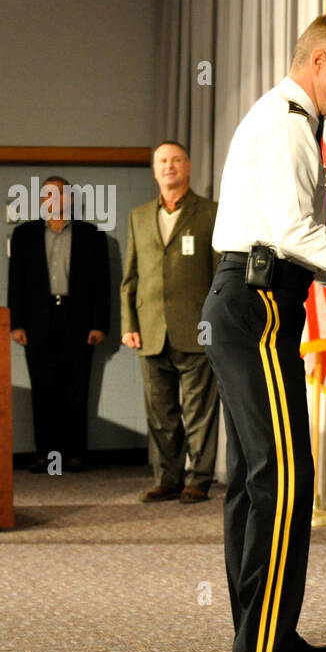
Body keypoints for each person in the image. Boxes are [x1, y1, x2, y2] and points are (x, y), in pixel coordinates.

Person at [203, 14, 326, 652]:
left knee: (256, 478)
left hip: (245, 300)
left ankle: (264, 624)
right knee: (286, 476)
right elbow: (293, 232)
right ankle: (263, 642)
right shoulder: (286, 123)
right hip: (260, 304)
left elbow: (287, 237)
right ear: (318, 62)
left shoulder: (277, 115)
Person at [121, 141, 220, 504]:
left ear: (188, 167)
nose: (169, 166)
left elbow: (219, 275)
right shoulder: (139, 216)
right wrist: (128, 323)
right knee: (161, 414)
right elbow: (129, 278)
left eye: (176, 159)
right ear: (154, 169)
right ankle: (168, 478)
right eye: (162, 160)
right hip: (149, 330)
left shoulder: (210, 212)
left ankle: (199, 479)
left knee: (199, 412)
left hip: (196, 329)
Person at [7, 175, 109, 474]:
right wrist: (16, 323)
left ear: (72, 200)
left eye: (61, 194)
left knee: (77, 390)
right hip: (37, 322)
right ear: (42, 201)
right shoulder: (24, 235)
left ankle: (75, 454)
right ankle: (46, 456)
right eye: (48, 195)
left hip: (78, 321)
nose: (55, 200)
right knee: (42, 389)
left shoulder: (92, 235)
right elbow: (16, 282)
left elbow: (103, 284)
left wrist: (100, 324)